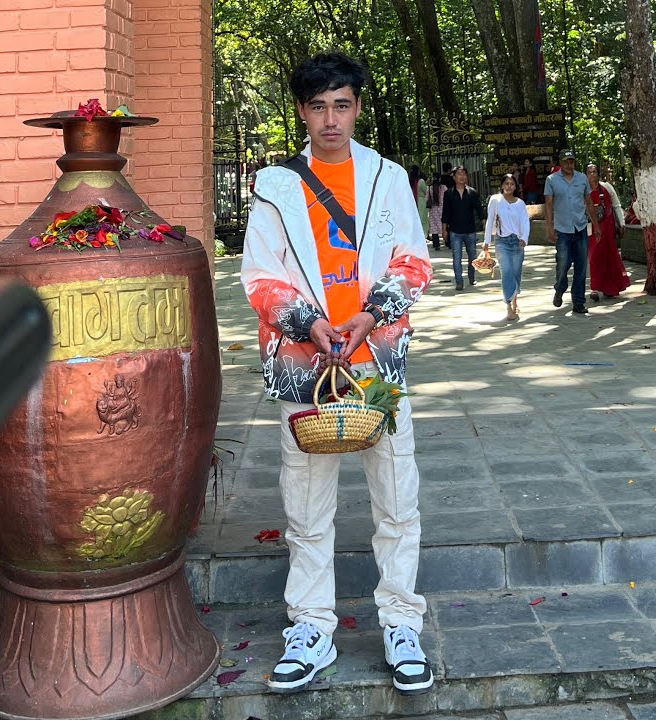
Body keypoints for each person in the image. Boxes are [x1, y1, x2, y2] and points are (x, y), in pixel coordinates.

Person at [240, 51, 435, 696]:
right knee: (306, 504)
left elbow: (413, 261)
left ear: (356, 109)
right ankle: (311, 627)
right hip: (305, 364)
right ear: (302, 111)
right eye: (319, 106)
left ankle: (402, 622)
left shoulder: (388, 177)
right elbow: (258, 275)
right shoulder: (275, 186)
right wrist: (307, 323)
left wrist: (370, 316)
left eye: (342, 105)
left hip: (377, 362)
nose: (331, 119)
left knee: (396, 498)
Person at [544, 149, 599, 314]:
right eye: (566, 162)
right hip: (562, 229)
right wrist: (549, 228)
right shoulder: (551, 180)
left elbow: (589, 202)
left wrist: (596, 225)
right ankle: (560, 288)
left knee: (581, 267)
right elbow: (548, 205)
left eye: (572, 161)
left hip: (580, 227)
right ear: (560, 163)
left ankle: (579, 302)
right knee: (563, 263)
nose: (569, 165)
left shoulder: (582, 178)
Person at [483, 174, 530, 321]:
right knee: (507, 271)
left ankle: (515, 301)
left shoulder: (520, 204)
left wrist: (524, 239)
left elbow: (525, 222)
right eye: (506, 183)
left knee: (516, 273)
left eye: (512, 184)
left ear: (515, 187)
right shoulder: (495, 200)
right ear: (502, 186)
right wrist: (486, 241)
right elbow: (490, 220)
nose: (509, 186)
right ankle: (508, 305)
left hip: (517, 242)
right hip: (501, 241)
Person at [586, 163, 630, 301]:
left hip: (607, 226)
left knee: (609, 256)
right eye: (589, 172)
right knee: (594, 256)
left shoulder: (606, 187)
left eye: (594, 171)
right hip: (591, 228)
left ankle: (610, 287)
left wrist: (622, 223)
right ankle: (595, 288)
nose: (592, 174)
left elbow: (616, 205)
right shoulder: (583, 190)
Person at [441, 165, 486, 291]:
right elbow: (445, 213)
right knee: (457, 258)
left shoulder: (472, 192)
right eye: (459, 174)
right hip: (455, 231)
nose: (462, 176)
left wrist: (484, 223)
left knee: (472, 257)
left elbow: (479, 209)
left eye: (464, 174)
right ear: (454, 177)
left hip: (470, 230)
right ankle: (459, 282)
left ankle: (472, 277)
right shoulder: (448, 193)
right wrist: (444, 230)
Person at [426, 163, 451, 251]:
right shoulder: (444, 187)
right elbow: (448, 197)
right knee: (445, 225)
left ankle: (436, 244)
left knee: (434, 227)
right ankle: (448, 242)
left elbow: (426, 199)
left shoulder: (429, 188)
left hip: (433, 210)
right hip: (443, 209)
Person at [409, 164, 430, 241]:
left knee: (416, 218)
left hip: (413, 201)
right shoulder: (420, 181)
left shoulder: (409, 182)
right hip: (421, 201)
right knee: (423, 219)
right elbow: (426, 191)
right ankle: (424, 235)